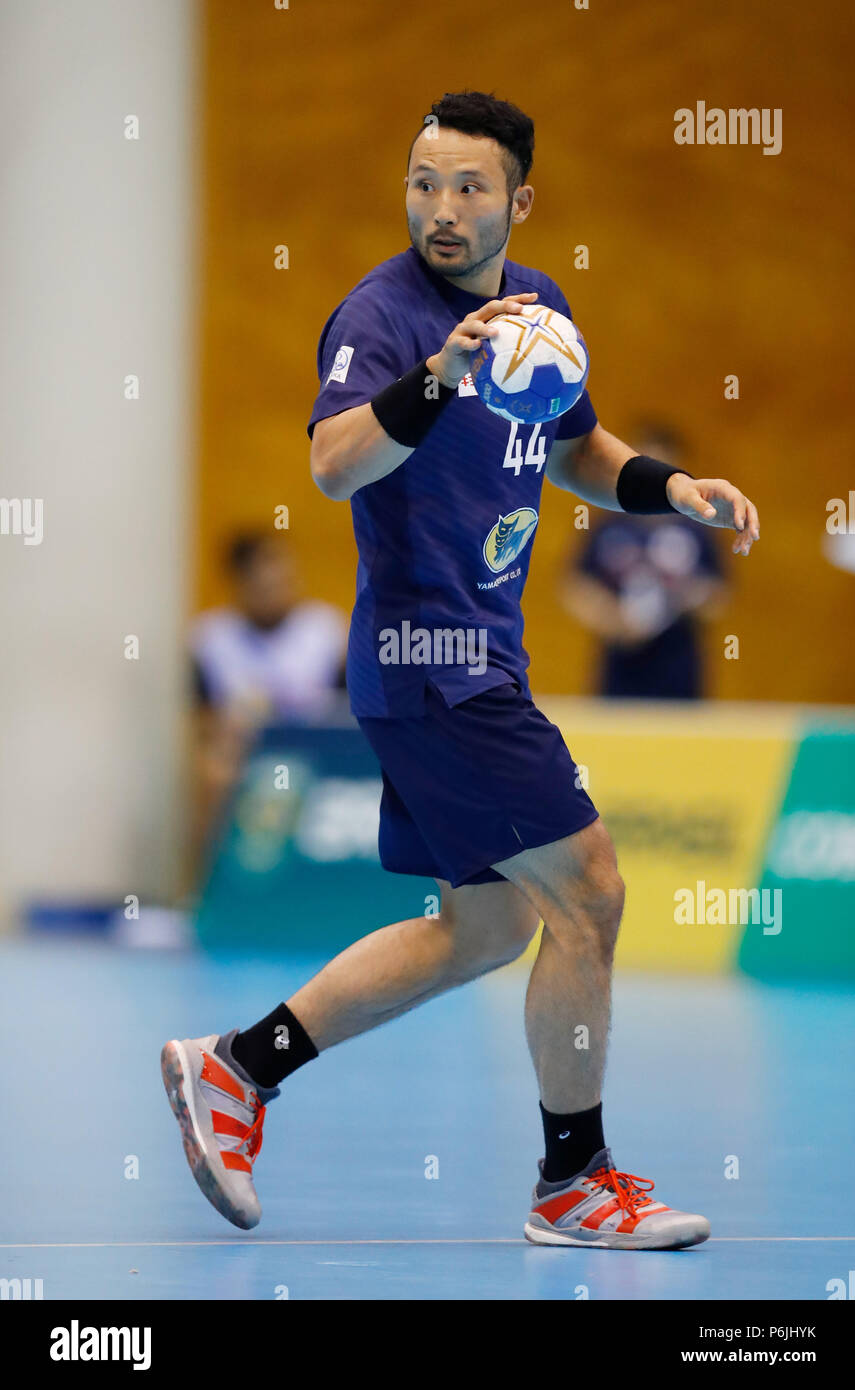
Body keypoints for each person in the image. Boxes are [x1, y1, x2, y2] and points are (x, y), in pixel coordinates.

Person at [163, 91, 759, 1250]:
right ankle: (572, 1182)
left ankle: (236, 1070)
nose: (440, 208)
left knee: (482, 928)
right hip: (431, 663)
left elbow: (575, 444)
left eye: (468, 186)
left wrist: (668, 492)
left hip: (482, 656)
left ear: (518, 201)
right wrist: (437, 374)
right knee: (589, 890)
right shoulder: (382, 316)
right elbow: (334, 464)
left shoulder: (542, 311)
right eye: (422, 183)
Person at [188, 532, 347, 873]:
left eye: (284, 577)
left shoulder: (325, 630)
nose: (277, 586)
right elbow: (201, 723)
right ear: (240, 583)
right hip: (248, 757)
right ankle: (211, 888)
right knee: (213, 770)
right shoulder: (212, 637)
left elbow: (354, 711)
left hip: (319, 752)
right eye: (264, 581)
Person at [561, 423, 728, 698]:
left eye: (664, 469)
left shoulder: (698, 529)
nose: (654, 481)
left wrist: (689, 595)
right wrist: (610, 618)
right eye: (647, 468)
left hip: (678, 662)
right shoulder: (608, 527)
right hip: (620, 661)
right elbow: (574, 585)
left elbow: (719, 598)